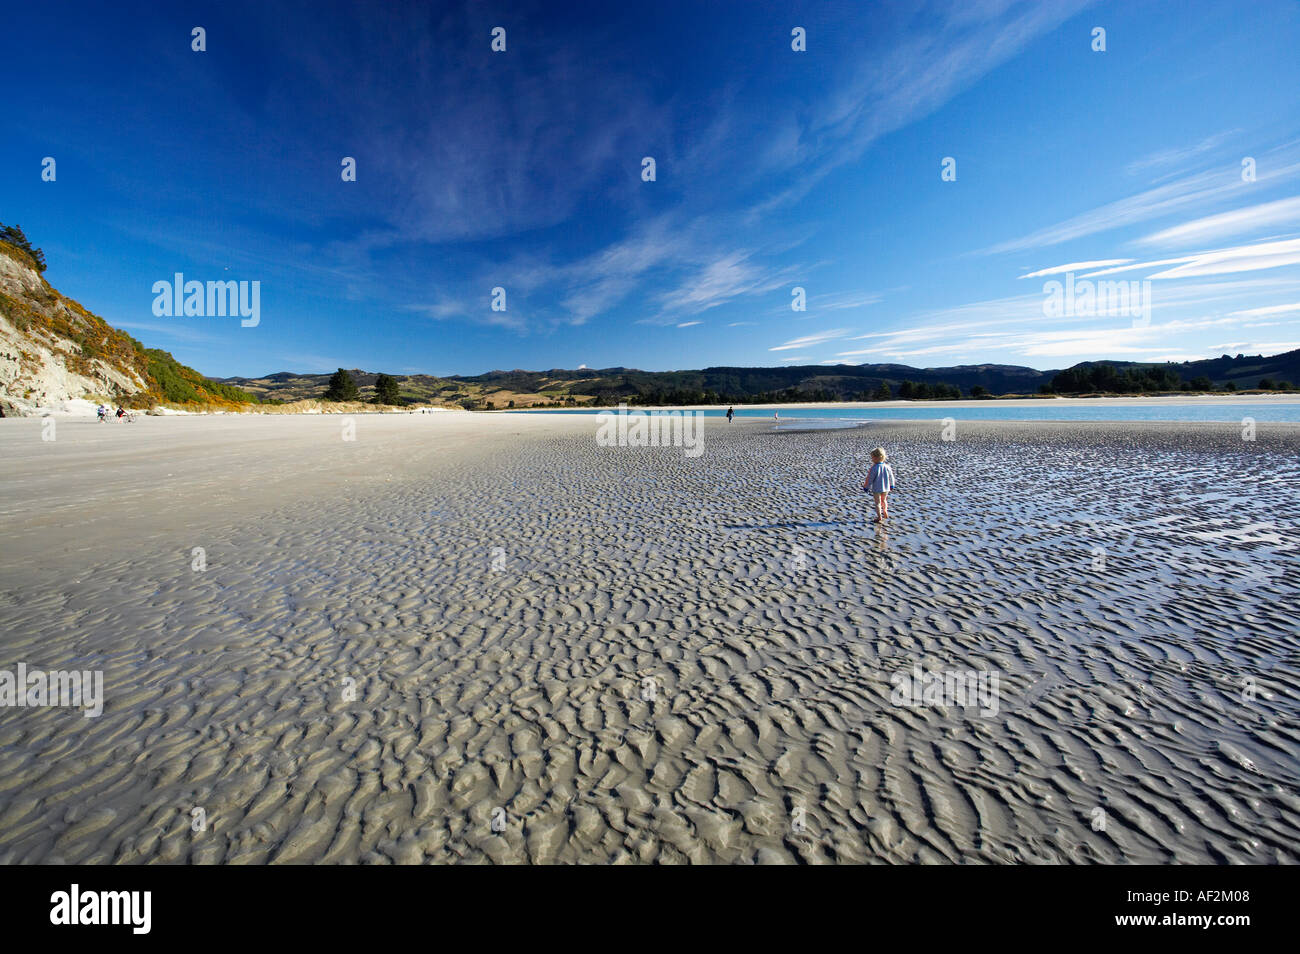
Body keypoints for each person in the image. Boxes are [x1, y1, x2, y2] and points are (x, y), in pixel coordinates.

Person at [862, 446, 896, 522]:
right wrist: (892, 484)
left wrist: (866, 487)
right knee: (884, 500)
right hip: (886, 487)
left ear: (877, 458)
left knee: (878, 503)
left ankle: (879, 517)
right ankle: (885, 512)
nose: (872, 459)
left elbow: (870, 478)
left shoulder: (874, 468)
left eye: (872, 458)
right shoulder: (887, 467)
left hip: (877, 488)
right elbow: (891, 477)